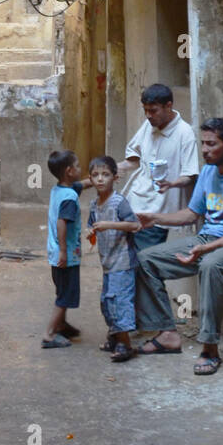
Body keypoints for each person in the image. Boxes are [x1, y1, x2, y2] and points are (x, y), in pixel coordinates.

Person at [135, 117, 223, 370]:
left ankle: (210, 348)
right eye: (203, 143)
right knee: (145, 259)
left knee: (211, 264)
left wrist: (209, 248)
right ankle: (167, 333)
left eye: (211, 144)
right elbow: (192, 214)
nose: (204, 150)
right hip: (207, 239)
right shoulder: (207, 172)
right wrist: (155, 217)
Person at [117, 84, 198, 250]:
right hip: (133, 204)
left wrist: (172, 184)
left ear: (168, 106)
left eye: (153, 110)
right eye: (145, 110)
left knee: (146, 265)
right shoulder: (149, 124)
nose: (148, 115)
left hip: (156, 212)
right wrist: (116, 168)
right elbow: (135, 159)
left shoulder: (185, 133)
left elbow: (190, 175)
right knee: (125, 261)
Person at [87, 155, 141, 363]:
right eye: (95, 175)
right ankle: (114, 336)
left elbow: (135, 225)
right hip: (107, 262)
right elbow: (91, 224)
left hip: (123, 261)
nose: (100, 179)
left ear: (115, 178)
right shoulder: (94, 205)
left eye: (105, 175)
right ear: (90, 179)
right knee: (107, 302)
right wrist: (89, 231)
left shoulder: (119, 202)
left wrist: (109, 225)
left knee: (119, 301)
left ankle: (125, 344)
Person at [42, 149, 84, 349]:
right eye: (77, 166)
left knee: (63, 291)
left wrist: (98, 177)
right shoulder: (69, 198)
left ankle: (62, 325)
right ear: (69, 171)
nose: (80, 169)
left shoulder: (59, 189)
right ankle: (49, 334)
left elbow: (82, 184)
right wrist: (64, 252)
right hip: (65, 256)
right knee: (65, 295)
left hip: (54, 254)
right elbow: (62, 224)